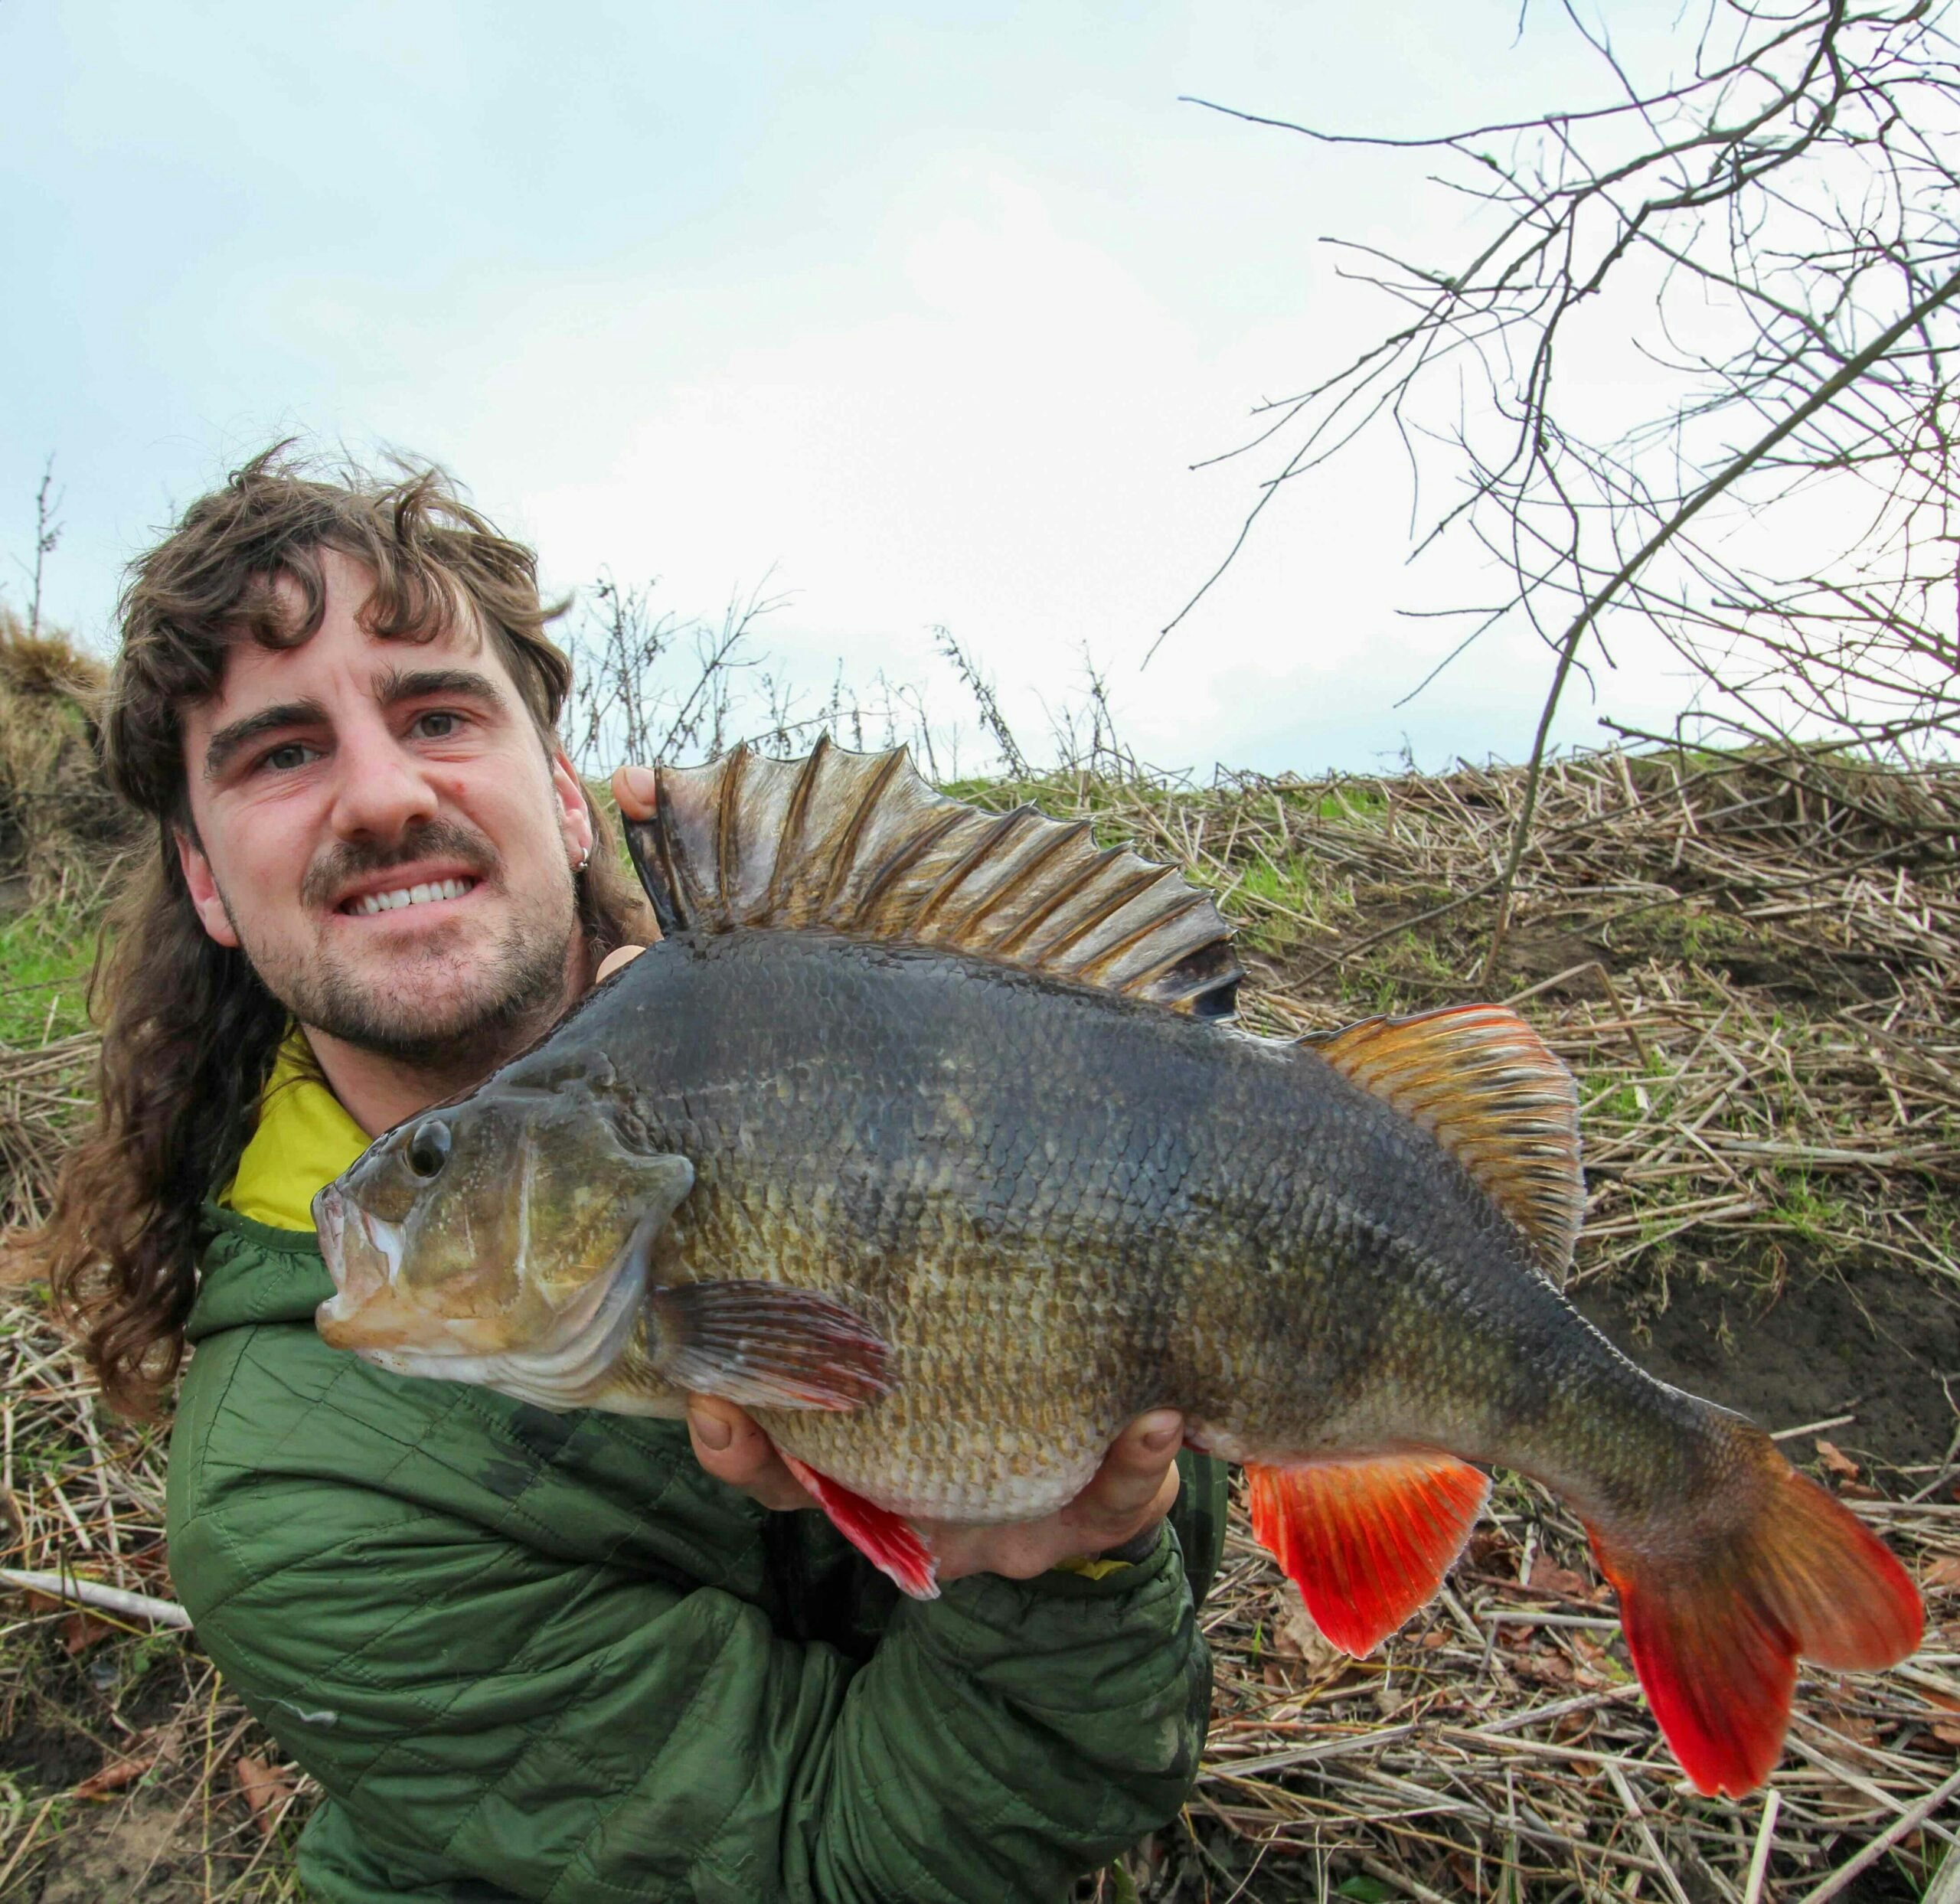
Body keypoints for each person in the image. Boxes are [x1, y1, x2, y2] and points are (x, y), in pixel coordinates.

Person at [37, 448, 1227, 1902]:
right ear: (207, 879)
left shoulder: (797, 1009)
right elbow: (820, 1867)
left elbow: (1203, 1321)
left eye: (439, 712)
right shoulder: (293, 1498)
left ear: (568, 794)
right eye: (281, 752)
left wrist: (1085, 1536)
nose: (383, 792)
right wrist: (1041, 1576)